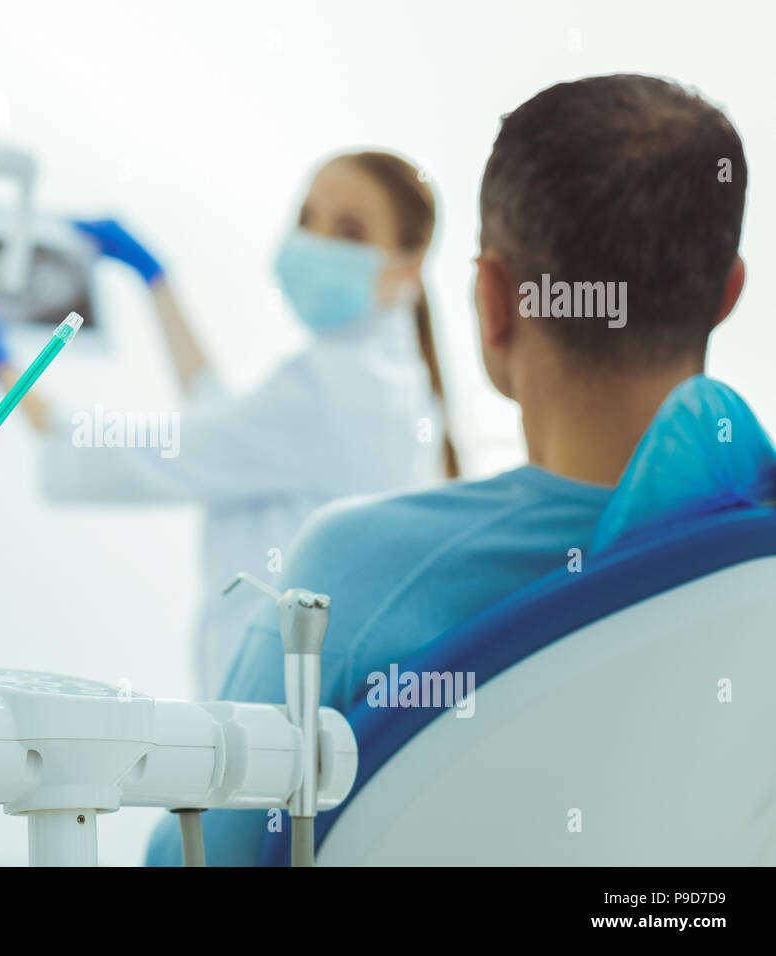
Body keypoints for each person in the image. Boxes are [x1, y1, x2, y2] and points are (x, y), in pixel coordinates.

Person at [147, 73, 751, 864]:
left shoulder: (350, 576)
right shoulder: (754, 567)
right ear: (728, 293)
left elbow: (194, 854)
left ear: (492, 301)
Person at [0, 151, 459, 698]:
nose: (316, 241)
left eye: (349, 230)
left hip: (278, 716)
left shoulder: (338, 389)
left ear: (407, 264)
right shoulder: (379, 380)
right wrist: (156, 282)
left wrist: (3, 369)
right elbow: (223, 421)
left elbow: (134, 453)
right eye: (307, 218)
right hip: (291, 711)